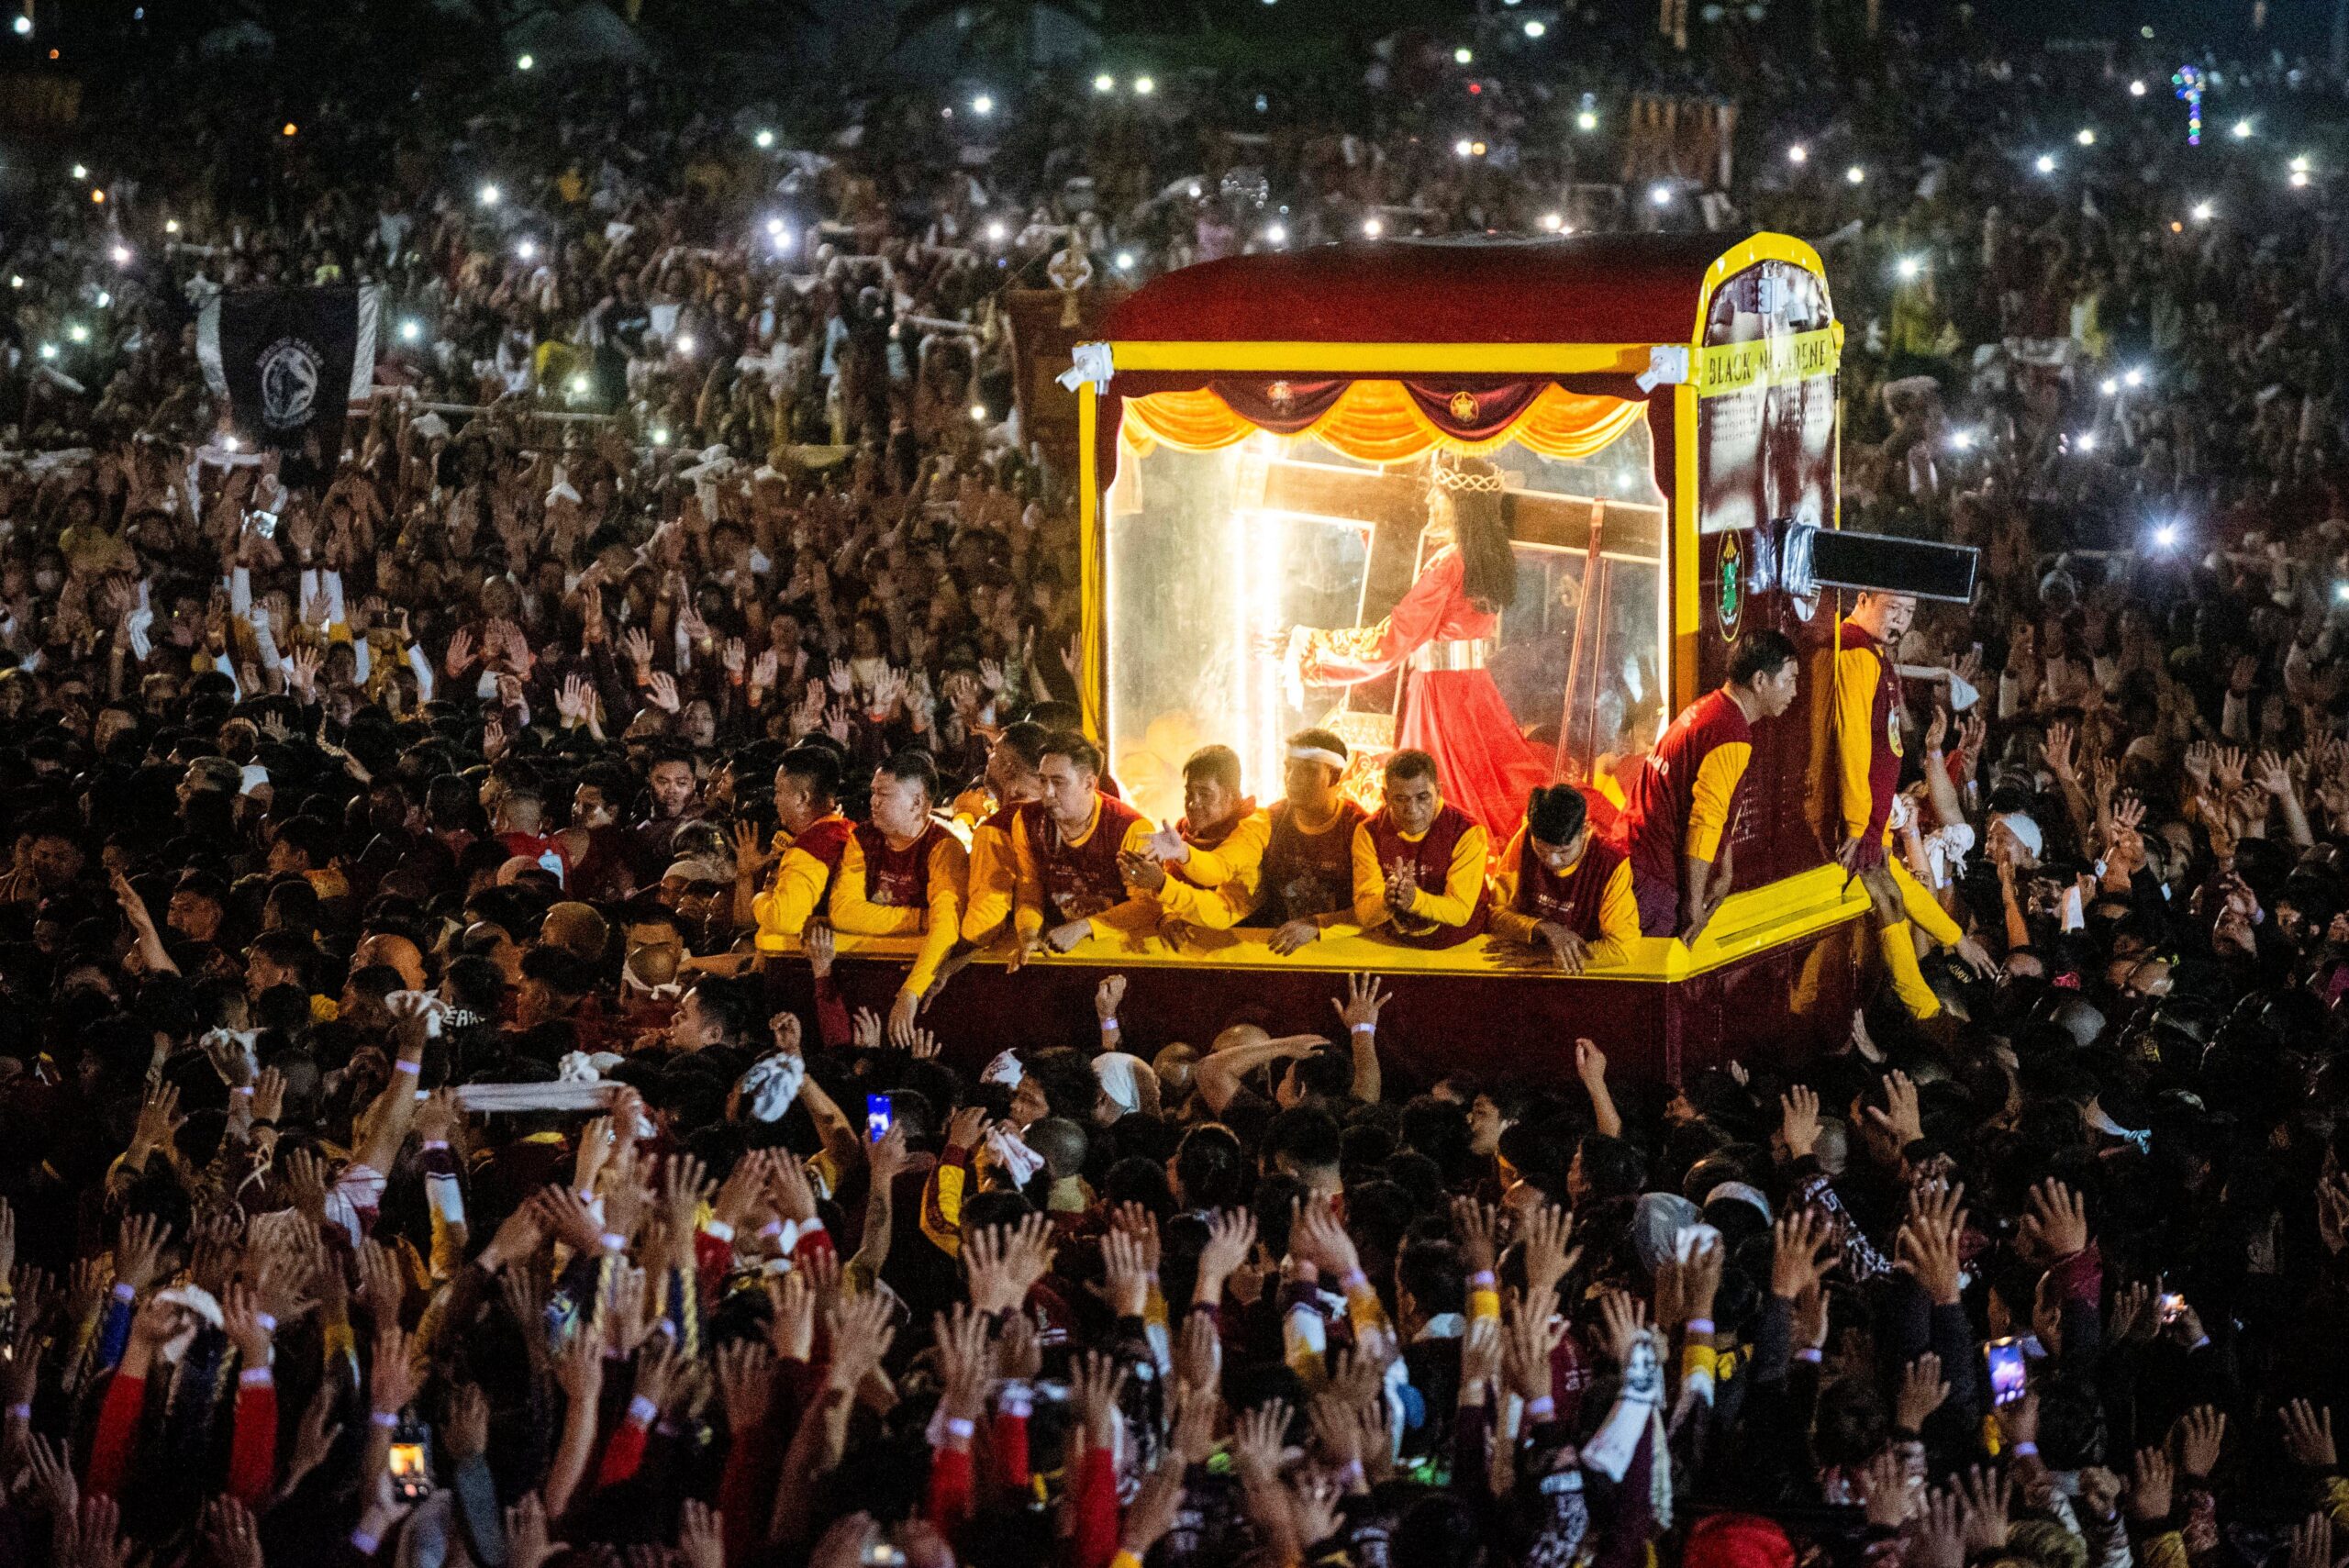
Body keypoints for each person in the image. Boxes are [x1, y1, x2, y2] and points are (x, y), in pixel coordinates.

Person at [1274, 452, 1553, 840]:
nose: (1427, 502)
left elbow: (1393, 641)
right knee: (1476, 783)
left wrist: (1311, 649)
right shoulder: (1486, 558)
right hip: (1475, 689)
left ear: (1457, 505)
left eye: (1435, 494)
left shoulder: (1448, 564)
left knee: (1439, 792)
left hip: (1439, 696)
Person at [1835, 591, 1997, 1015]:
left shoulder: (1877, 655)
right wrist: (1857, 826)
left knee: (1892, 890)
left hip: (1871, 820)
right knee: (1885, 894)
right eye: (1893, 610)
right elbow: (1852, 744)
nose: (1901, 623)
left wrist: (1958, 940)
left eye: (1909, 614)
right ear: (1864, 599)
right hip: (1860, 820)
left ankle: (1925, 1012)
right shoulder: (1853, 652)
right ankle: (1924, 1015)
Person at [1620, 629, 1801, 941]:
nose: (1795, 692)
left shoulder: (1709, 710)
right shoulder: (1730, 734)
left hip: (1636, 858)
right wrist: (1694, 901)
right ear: (1760, 681)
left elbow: (1715, 812)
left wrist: (1724, 870)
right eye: (1789, 680)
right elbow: (1705, 820)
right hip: (1653, 877)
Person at [827, 751, 969, 1040]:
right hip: (870, 973)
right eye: (873, 793)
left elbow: (945, 930)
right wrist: (919, 920)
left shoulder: (943, 847)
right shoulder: (863, 838)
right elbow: (843, 912)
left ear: (917, 802)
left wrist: (910, 993)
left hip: (924, 983)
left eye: (884, 795)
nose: (873, 803)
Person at [1010, 732, 1157, 963]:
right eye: (1042, 780)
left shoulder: (1131, 828)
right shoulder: (1028, 821)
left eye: (1058, 782)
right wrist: (1028, 934)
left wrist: (1085, 927)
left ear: (1089, 783)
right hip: (1054, 948)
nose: (1047, 793)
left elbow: (1147, 905)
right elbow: (1029, 888)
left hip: (1117, 951)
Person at [1489, 782, 1641, 973]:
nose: (1552, 860)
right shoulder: (1525, 839)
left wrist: (1541, 956)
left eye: (1564, 851)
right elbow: (1495, 912)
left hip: (1580, 975)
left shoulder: (1610, 863)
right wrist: (1544, 928)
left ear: (1585, 830)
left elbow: (1622, 948)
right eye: (1542, 850)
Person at [1351, 748, 1489, 948]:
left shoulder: (1466, 830)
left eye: (1423, 797)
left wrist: (1414, 900)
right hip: (1394, 943)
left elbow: (1460, 912)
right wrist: (1386, 900)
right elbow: (1365, 914)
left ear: (1439, 791)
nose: (1412, 810)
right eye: (1401, 799)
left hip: (1459, 946)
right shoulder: (1368, 832)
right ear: (1385, 796)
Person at [1118, 743, 1264, 932]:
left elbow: (1222, 911)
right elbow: (1166, 901)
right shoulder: (1183, 832)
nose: (1193, 804)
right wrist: (1166, 916)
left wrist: (1162, 883)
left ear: (1233, 797)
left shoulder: (1250, 834)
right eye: (1189, 793)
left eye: (1205, 794)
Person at [748, 744, 854, 951]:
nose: (775, 800)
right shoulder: (847, 830)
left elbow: (783, 921)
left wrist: (759, 900)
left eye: (779, 791)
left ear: (803, 798)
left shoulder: (810, 847)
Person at [958, 721, 1049, 945]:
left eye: (995, 752)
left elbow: (987, 915)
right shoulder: (1064, 814)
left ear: (1008, 767)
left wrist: (947, 961)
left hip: (1013, 950)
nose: (988, 756)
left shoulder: (998, 828)